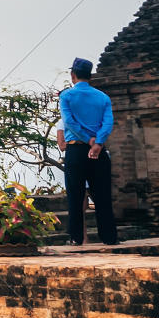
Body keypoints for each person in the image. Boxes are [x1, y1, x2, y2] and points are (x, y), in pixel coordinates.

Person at [57, 57, 118, 246]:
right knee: (102, 195)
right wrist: (98, 142)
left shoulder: (66, 96)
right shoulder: (102, 97)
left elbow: (69, 122)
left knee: (75, 195)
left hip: (76, 149)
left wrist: (88, 139)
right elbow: (108, 123)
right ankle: (109, 237)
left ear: (73, 75)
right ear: (90, 76)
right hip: (98, 151)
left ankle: (76, 237)